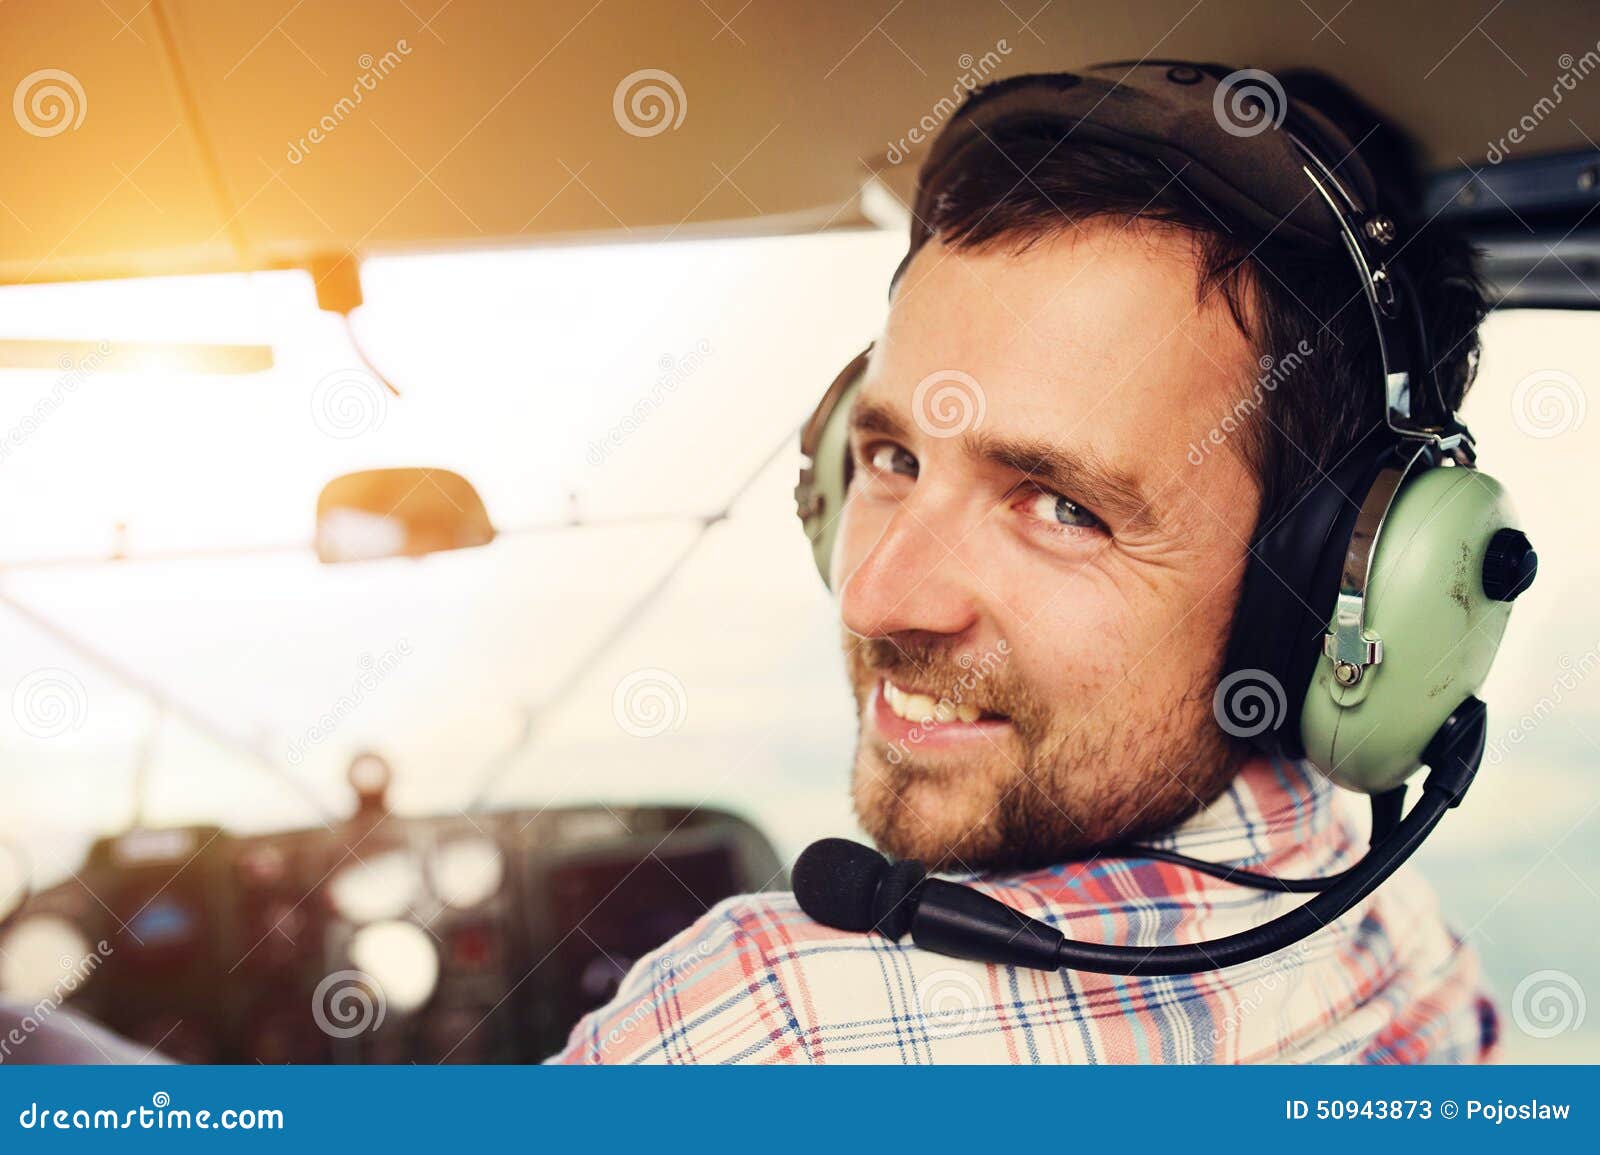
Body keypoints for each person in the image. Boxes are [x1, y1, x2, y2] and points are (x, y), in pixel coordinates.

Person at [548, 63, 1497, 1064]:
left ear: (1318, 594)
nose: (875, 598)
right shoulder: (1406, 949)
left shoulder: (766, 1026)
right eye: (892, 459)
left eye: (1060, 508)